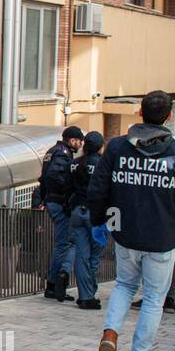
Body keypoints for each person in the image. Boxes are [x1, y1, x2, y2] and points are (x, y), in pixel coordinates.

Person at [88, 91, 175, 351]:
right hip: (162, 237)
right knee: (154, 297)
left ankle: (110, 335)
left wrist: (98, 220)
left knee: (124, 286)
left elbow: (97, 189)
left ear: (139, 113)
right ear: (169, 116)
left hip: (126, 232)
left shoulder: (116, 148)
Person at [40, 125, 86, 300]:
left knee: (66, 243)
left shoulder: (53, 151)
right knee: (65, 244)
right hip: (59, 202)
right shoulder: (62, 153)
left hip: (52, 201)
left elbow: (44, 178)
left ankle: (57, 282)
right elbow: (53, 176)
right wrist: (68, 193)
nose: (81, 144)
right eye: (80, 140)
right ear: (72, 140)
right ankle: (54, 284)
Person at [68, 131, 106, 310]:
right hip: (95, 214)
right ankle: (90, 293)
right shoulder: (101, 165)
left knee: (82, 255)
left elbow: (67, 186)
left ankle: (84, 295)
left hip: (76, 211)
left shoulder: (74, 163)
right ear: (99, 146)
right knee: (95, 254)